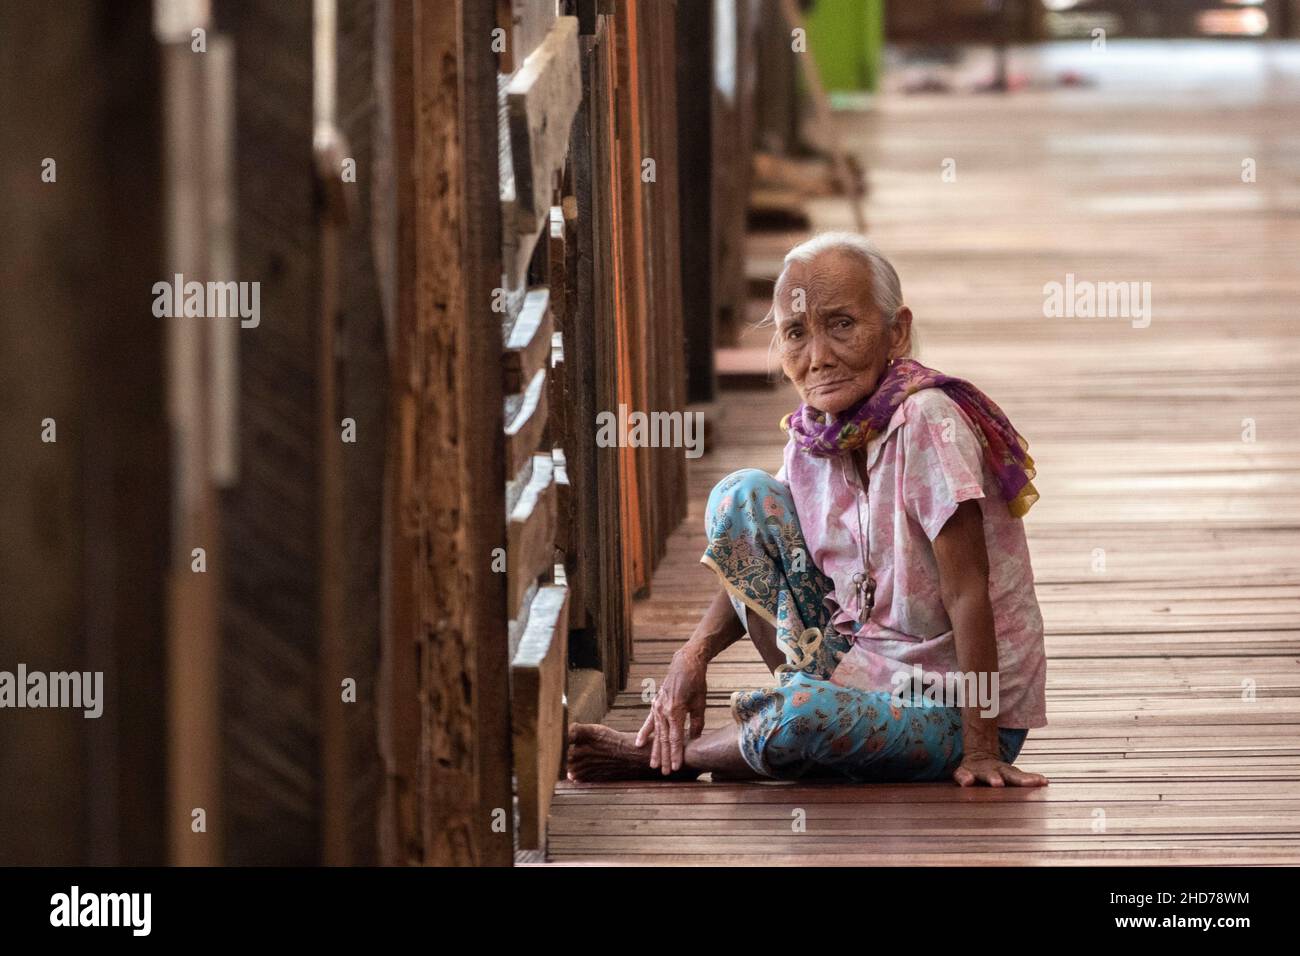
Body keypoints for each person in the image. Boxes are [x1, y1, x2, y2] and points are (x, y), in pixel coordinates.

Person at [568, 232, 1049, 788]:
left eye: (842, 324)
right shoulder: (815, 432)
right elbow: (748, 548)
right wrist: (692, 656)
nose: (818, 357)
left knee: (801, 720)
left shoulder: (927, 422)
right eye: (796, 333)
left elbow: (969, 590)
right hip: (862, 661)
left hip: (954, 705)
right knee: (740, 496)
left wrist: (983, 749)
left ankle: (679, 757)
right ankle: (796, 711)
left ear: (896, 331)